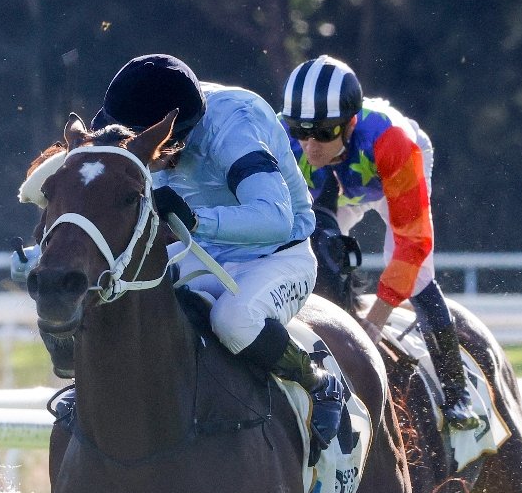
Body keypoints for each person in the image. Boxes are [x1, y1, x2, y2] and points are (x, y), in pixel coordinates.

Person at [92, 54, 340, 445]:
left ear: (176, 135)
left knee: (233, 320)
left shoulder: (235, 125)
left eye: (149, 145)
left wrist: (194, 220)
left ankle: (318, 383)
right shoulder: (141, 111)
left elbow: (276, 219)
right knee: (130, 304)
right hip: (202, 252)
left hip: (278, 256)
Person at [282, 55, 480, 431]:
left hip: (393, 173)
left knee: (417, 275)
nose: (309, 146)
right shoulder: (287, 140)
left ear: (350, 122)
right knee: (312, 245)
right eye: (299, 130)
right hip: (339, 184)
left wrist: (372, 327)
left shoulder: (393, 142)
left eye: (323, 133)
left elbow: (412, 245)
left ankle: (458, 393)